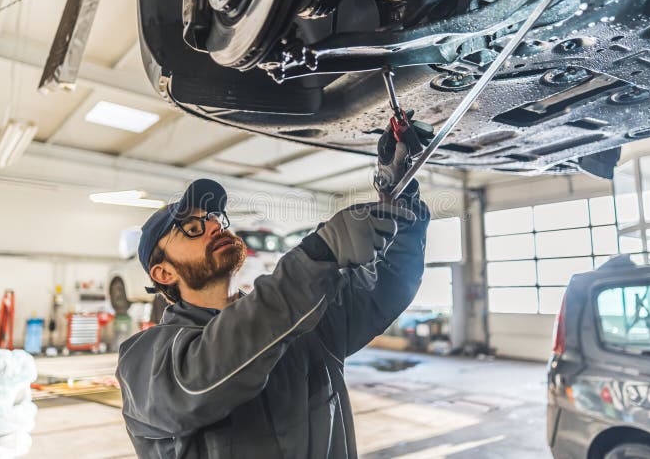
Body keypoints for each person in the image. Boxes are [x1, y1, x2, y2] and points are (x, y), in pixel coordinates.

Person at [116, 128, 431, 458]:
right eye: (193, 228)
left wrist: (400, 195)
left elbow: (390, 283)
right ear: (163, 272)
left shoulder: (302, 322)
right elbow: (202, 378)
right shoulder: (144, 361)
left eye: (215, 218)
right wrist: (319, 255)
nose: (214, 226)